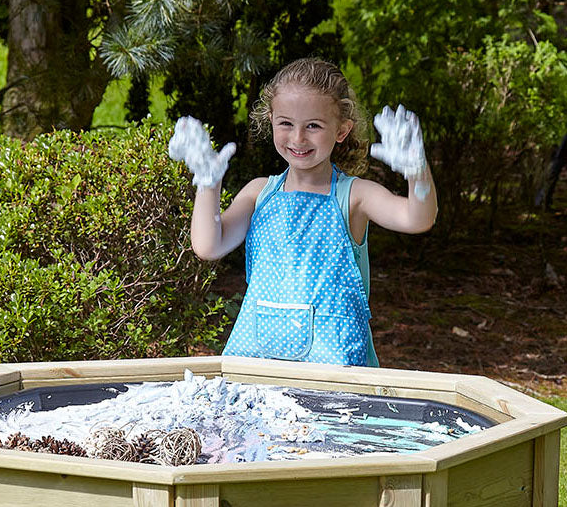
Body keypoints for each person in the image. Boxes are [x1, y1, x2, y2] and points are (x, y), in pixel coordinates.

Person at [168, 57, 438, 367]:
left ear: (341, 130)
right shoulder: (259, 194)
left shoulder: (354, 196)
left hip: (336, 377)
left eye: (313, 126)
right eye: (286, 123)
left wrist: (418, 171)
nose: (298, 138)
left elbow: (418, 219)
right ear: (270, 120)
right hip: (259, 370)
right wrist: (207, 184)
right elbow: (208, 246)